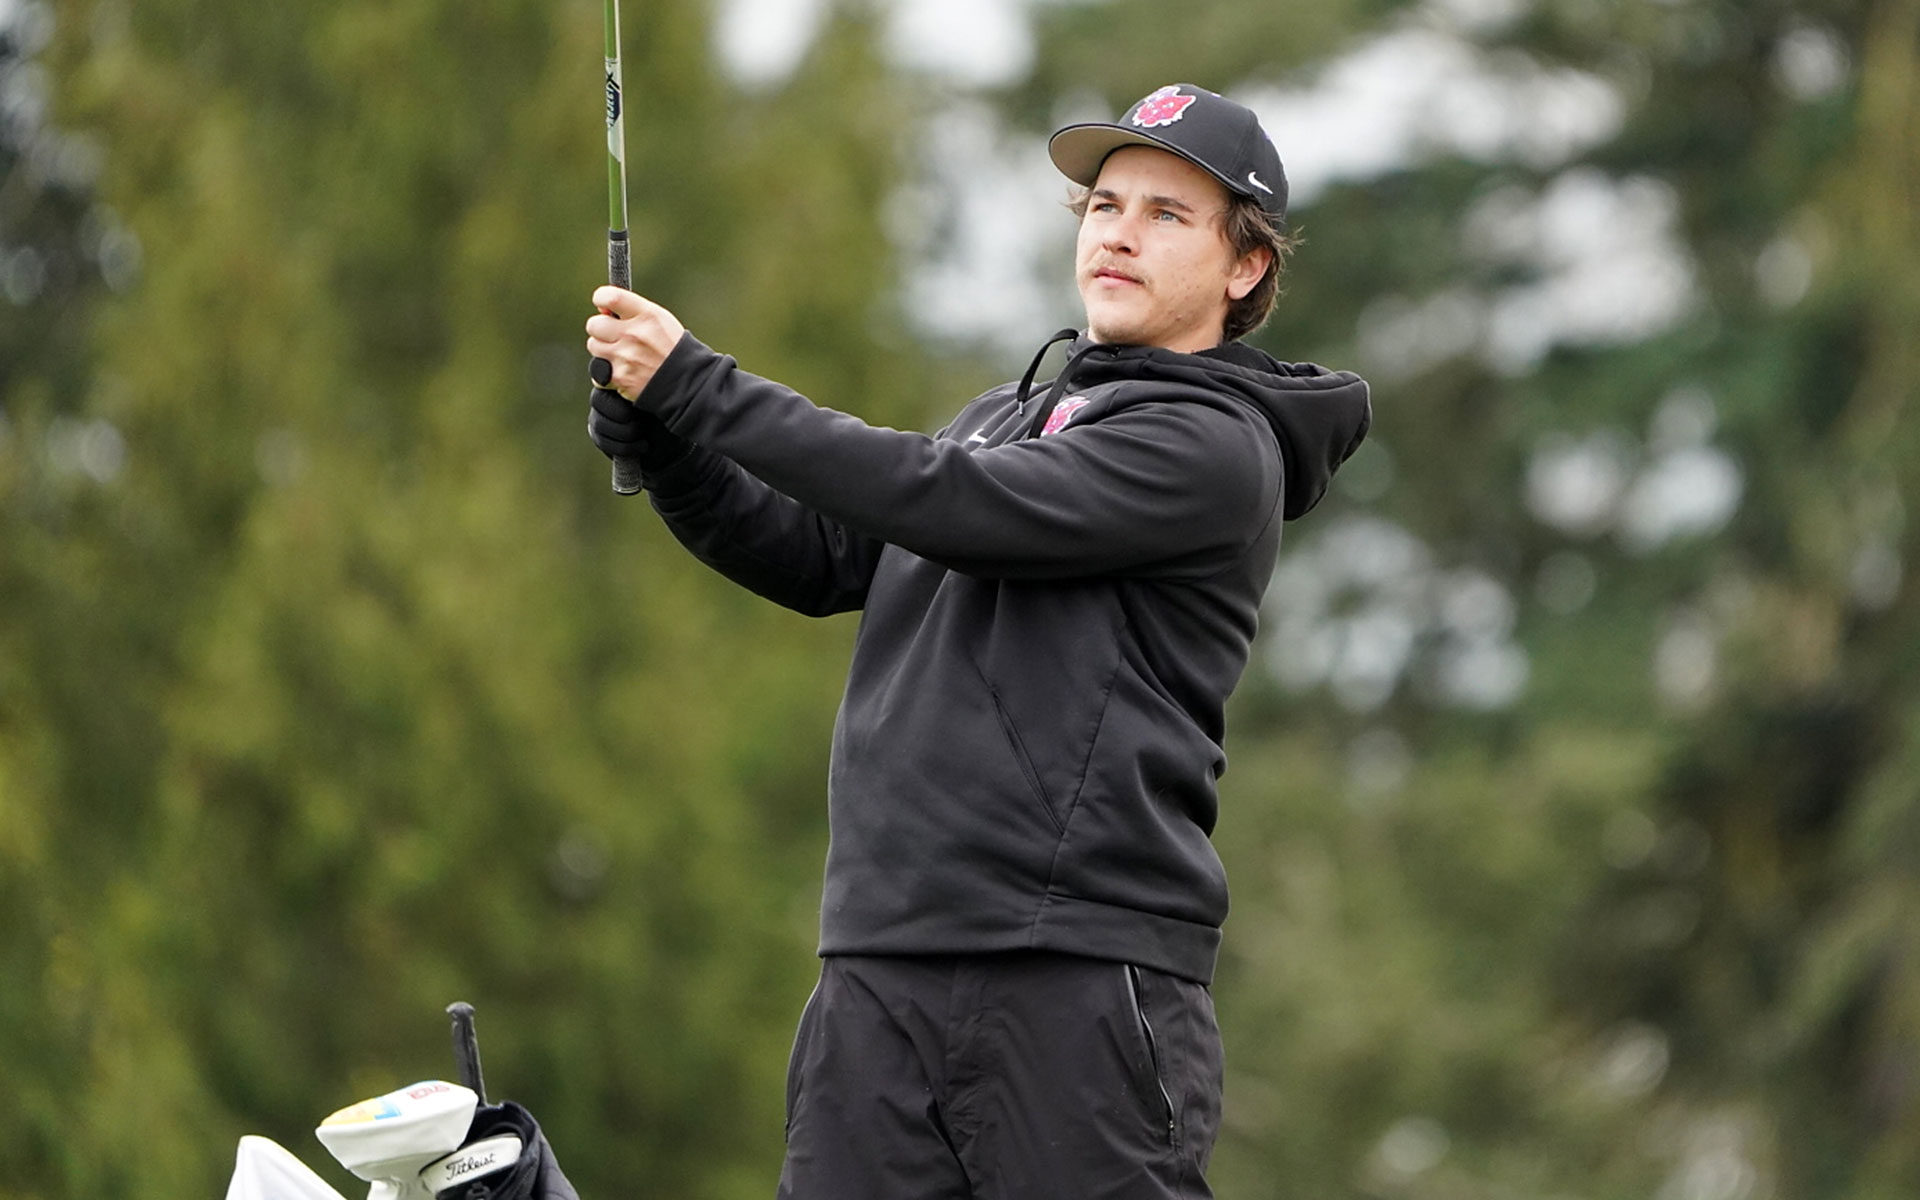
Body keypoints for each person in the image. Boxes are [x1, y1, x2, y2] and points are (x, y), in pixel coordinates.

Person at [583, 83, 1371, 1200]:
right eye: (1104, 205)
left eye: (1166, 214)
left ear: (1245, 269)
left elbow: (944, 501)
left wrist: (697, 385)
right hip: (878, 968)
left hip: (1078, 982)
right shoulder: (1000, 419)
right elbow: (818, 556)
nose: (1118, 233)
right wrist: (668, 448)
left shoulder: (1212, 448)